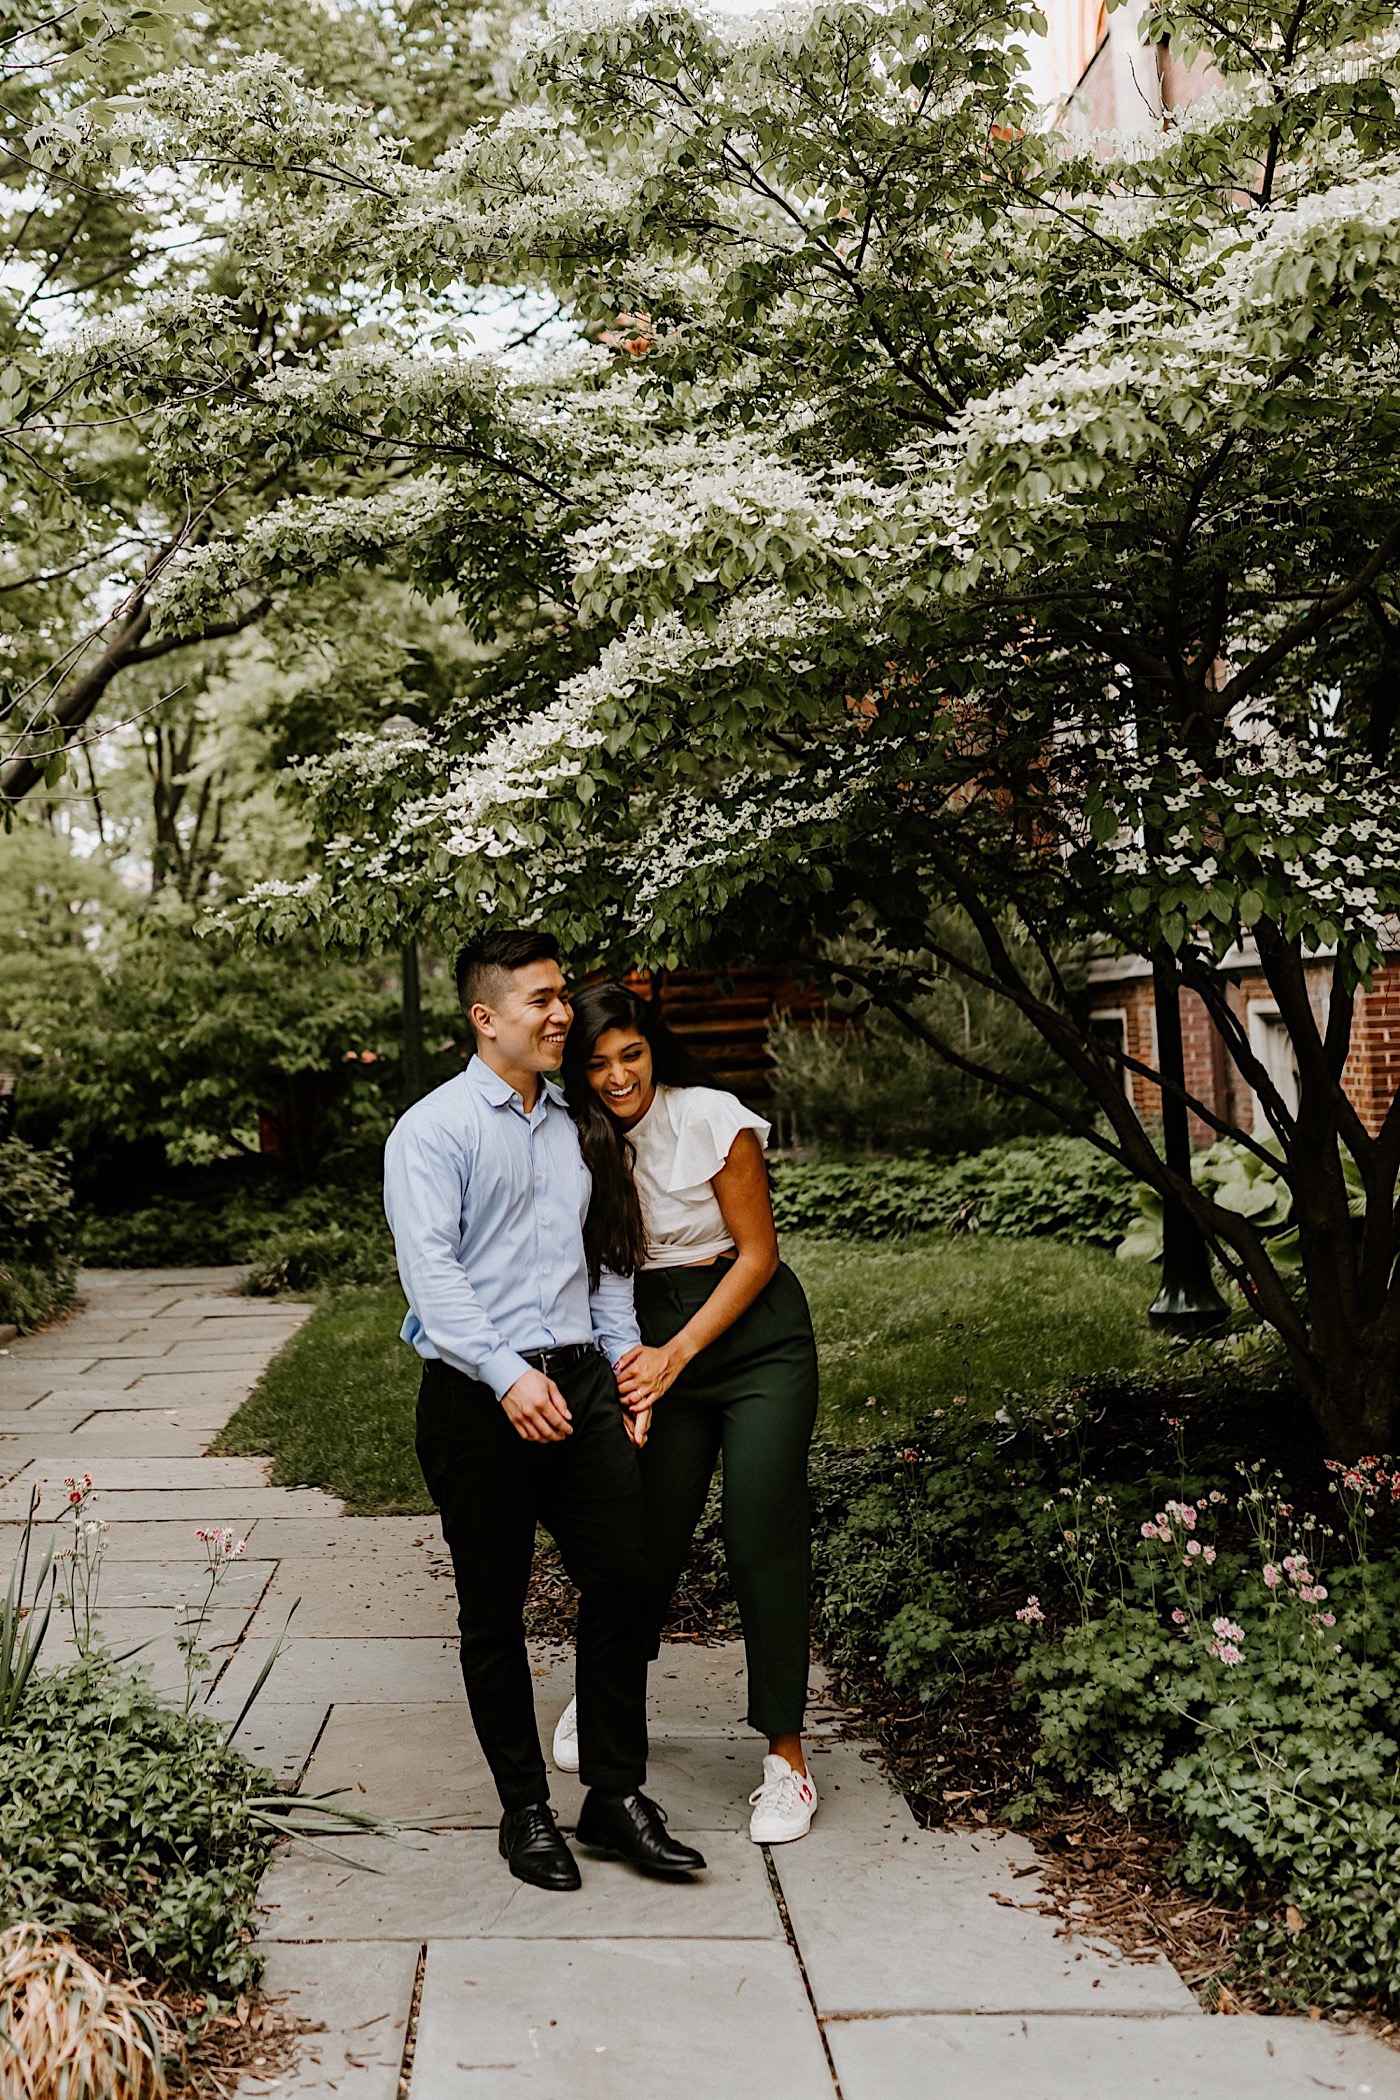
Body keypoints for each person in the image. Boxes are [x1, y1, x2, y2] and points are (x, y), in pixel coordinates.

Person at [383, 931, 705, 1891]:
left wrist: (623, 1373)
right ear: (486, 1019)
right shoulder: (433, 1131)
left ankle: (612, 1794)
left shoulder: (577, 1127)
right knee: (494, 1610)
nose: (562, 1013)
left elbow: (604, 1266)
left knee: (628, 1577)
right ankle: (524, 1810)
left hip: (581, 1387)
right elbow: (431, 1274)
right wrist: (502, 1373)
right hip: (478, 1400)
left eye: (562, 995)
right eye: (541, 1000)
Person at [555, 982, 821, 1845]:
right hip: (653, 1339)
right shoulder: (579, 1143)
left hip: (754, 1341)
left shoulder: (712, 1117)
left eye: (630, 1054)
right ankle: (606, 1709)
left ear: (653, 1049)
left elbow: (758, 1257)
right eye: (597, 1063)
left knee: (758, 1532)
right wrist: (635, 1371)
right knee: (643, 1539)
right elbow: (606, 1278)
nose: (618, 1075)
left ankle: (788, 1761)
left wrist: (679, 1355)